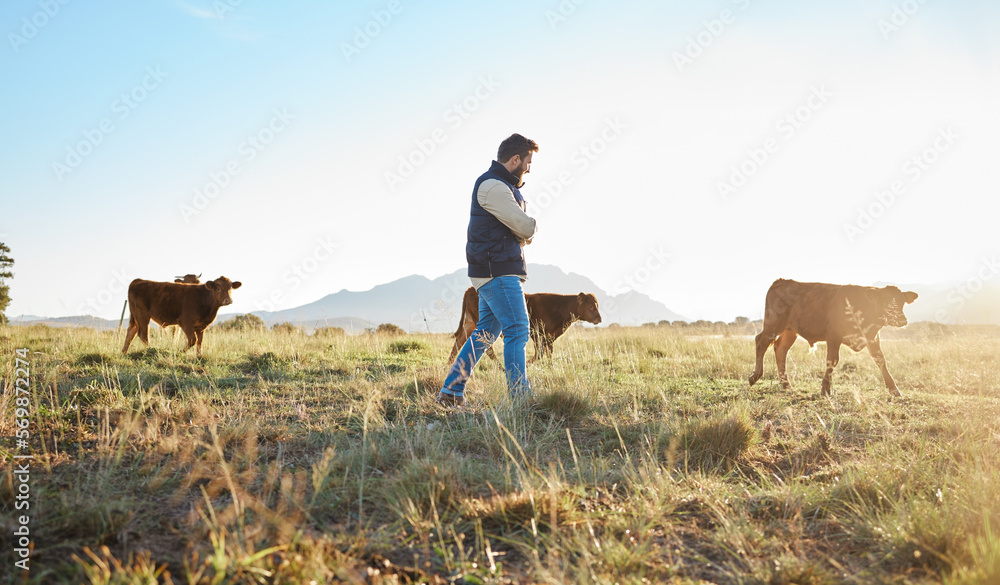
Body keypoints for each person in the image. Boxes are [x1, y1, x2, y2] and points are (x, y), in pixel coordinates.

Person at [437, 134, 539, 407]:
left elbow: (520, 229)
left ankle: (451, 391)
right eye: (528, 162)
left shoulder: (503, 187)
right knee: (518, 330)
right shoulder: (494, 186)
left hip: (495, 269)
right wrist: (528, 227)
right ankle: (521, 399)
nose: (529, 168)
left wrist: (522, 230)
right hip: (498, 271)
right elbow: (526, 228)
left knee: (485, 334)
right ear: (515, 159)